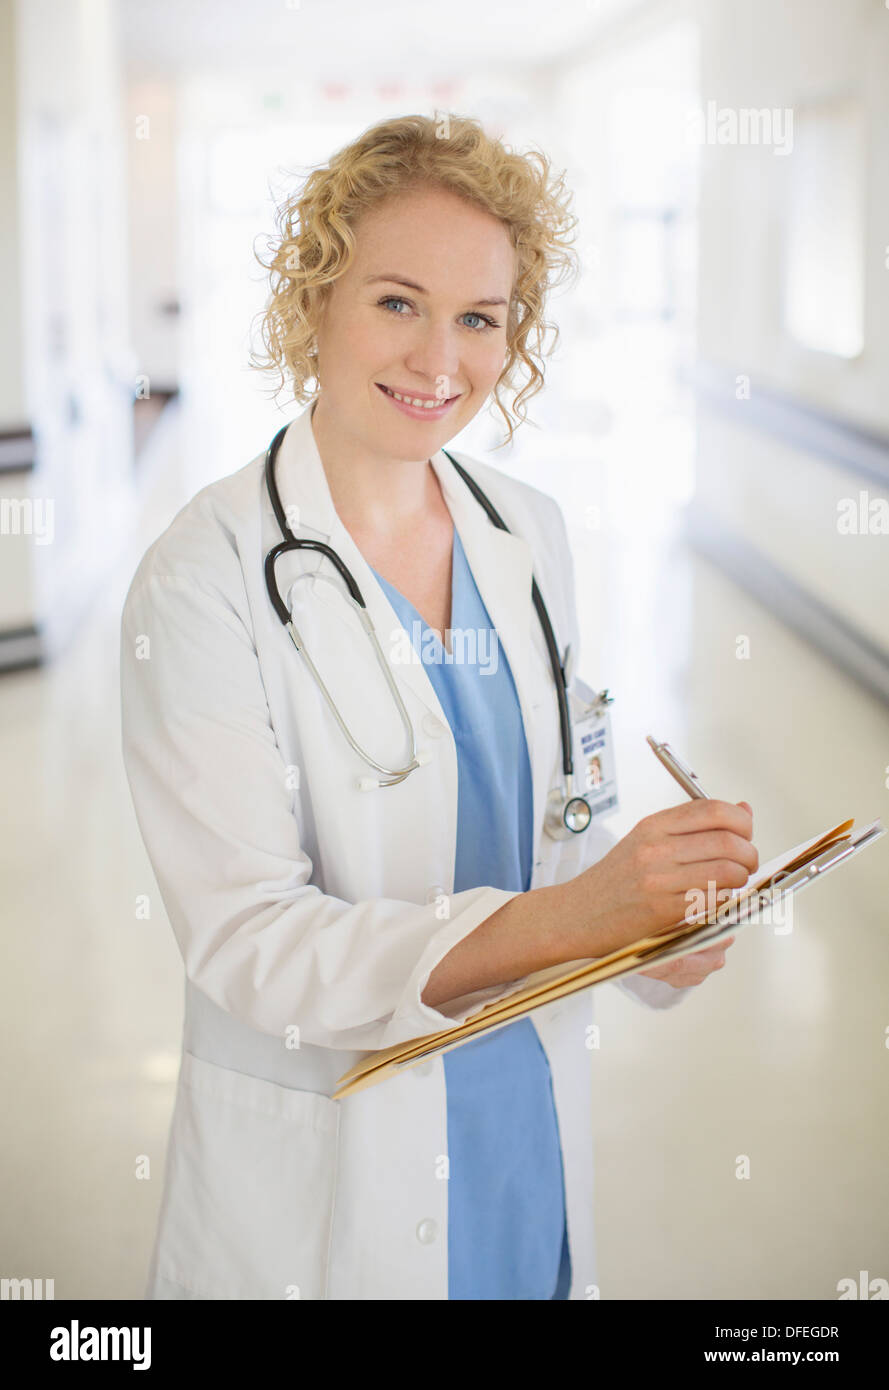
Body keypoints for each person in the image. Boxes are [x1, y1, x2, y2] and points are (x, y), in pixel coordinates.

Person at [120, 113, 756, 1301]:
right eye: (397, 302)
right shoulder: (202, 574)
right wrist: (580, 915)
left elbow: (566, 829)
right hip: (335, 1173)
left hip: (519, 1130)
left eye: (480, 317)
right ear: (313, 301)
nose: (439, 361)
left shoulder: (527, 534)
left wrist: (653, 925)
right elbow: (249, 940)